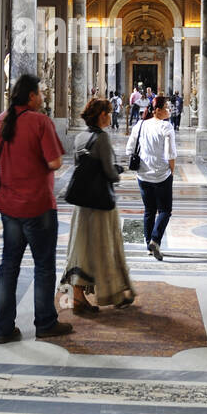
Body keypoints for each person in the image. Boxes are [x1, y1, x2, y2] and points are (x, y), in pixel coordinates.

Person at [0, 73, 71, 344]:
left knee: (8, 266)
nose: (43, 97)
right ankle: (45, 323)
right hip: (38, 204)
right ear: (32, 96)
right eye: (41, 93)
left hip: (9, 205)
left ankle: (2, 329)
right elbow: (55, 163)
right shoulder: (40, 122)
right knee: (44, 267)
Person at [61, 98, 135, 313]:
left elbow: (79, 165)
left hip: (82, 203)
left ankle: (77, 295)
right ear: (102, 115)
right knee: (106, 246)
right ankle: (115, 293)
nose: (110, 116)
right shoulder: (102, 138)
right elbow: (110, 173)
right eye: (109, 113)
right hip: (101, 204)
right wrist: (118, 171)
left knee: (81, 247)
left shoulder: (80, 137)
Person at [126, 93, 176, 260]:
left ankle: (149, 244)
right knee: (165, 210)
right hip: (162, 174)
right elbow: (170, 154)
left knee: (149, 210)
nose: (169, 110)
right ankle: (155, 239)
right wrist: (171, 172)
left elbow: (129, 149)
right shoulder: (166, 127)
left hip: (143, 174)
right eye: (167, 107)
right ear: (159, 110)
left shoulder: (140, 125)